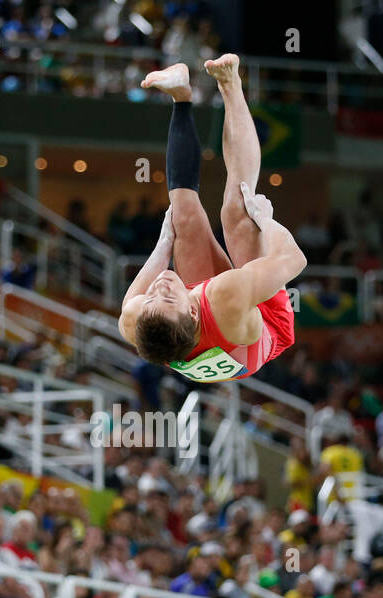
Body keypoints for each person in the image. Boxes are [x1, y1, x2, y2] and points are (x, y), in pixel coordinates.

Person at [117, 56, 306, 383]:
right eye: (167, 294)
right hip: (262, 322)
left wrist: (164, 244)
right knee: (238, 208)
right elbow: (294, 258)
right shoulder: (225, 297)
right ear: (192, 307)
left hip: (196, 325)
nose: (159, 285)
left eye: (151, 297)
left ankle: (180, 96)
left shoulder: (138, 320)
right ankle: (231, 83)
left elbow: (148, 297)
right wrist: (269, 222)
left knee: (182, 213)